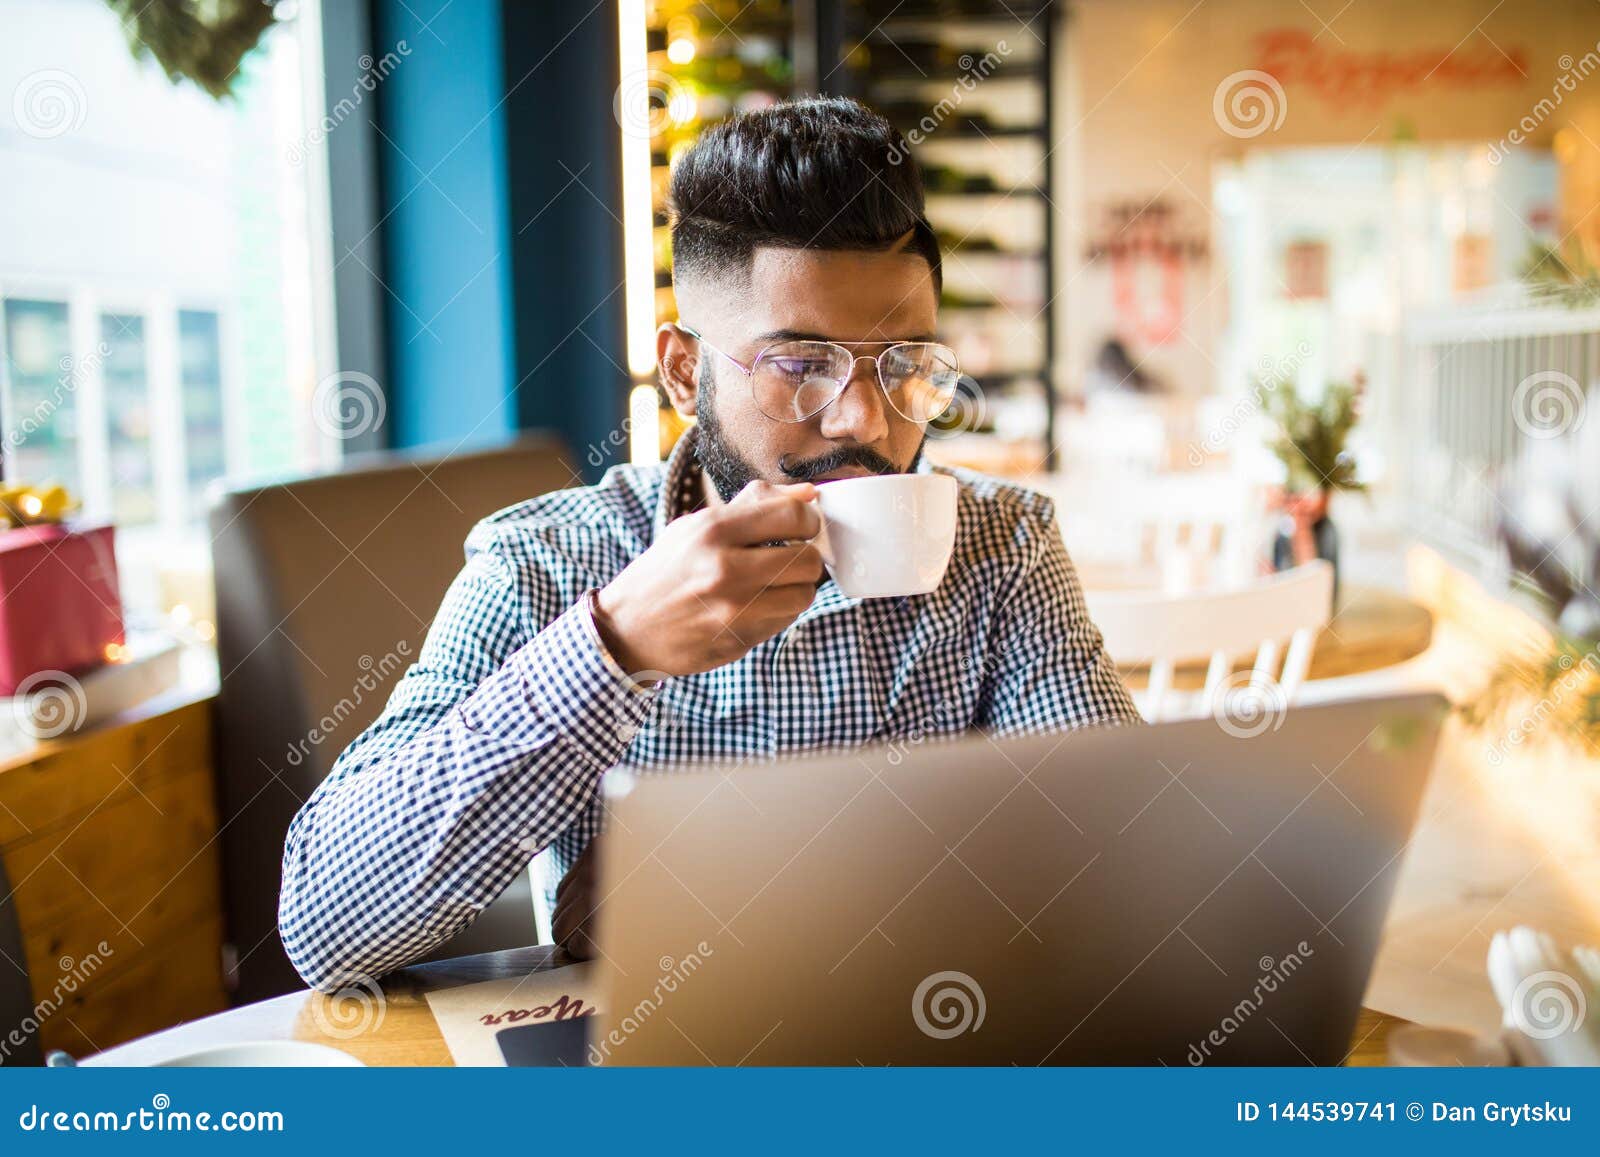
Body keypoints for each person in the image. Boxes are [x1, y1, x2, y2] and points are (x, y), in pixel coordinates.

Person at [278, 97, 1139, 991]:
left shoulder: (1003, 545)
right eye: (801, 367)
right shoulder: (550, 564)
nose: (865, 419)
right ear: (686, 371)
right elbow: (326, 926)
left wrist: (739, 881)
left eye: (903, 364)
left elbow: (1127, 869)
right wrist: (611, 646)